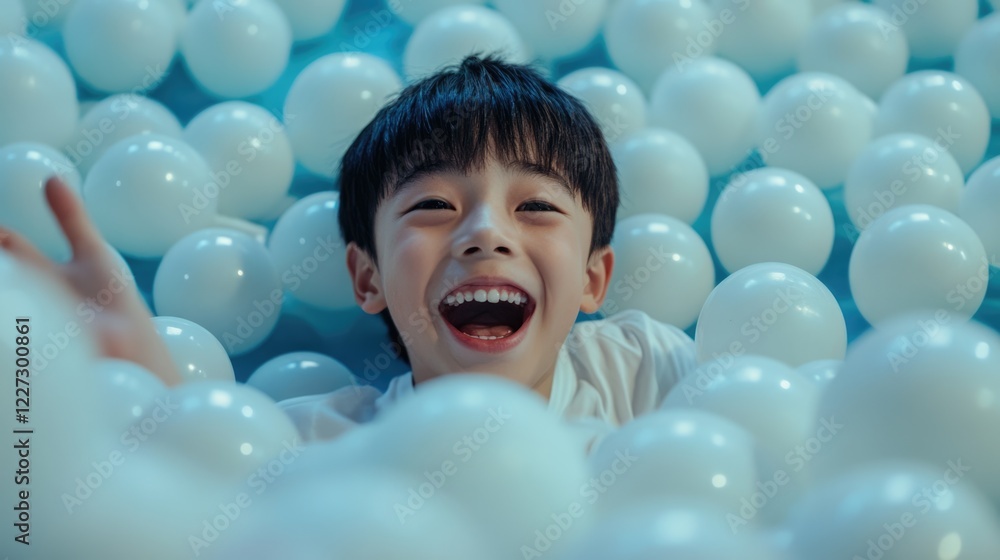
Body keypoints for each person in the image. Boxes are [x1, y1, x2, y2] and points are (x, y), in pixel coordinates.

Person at [0, 54, 697, 446]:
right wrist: (141, 374)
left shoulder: (640, 373)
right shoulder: (327, 442)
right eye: (433, 206)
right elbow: (204, 484)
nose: (486, 232)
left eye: (536, 206)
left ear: (593, 278)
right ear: (366, 279)